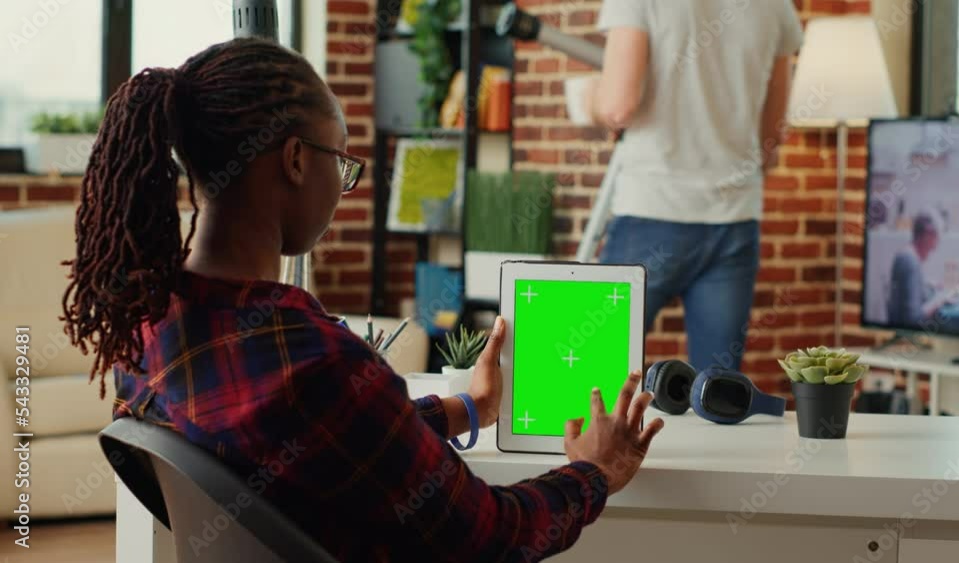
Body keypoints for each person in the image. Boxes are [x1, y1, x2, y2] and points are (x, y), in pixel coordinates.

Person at [60, 38, 664, 562]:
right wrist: (595, 470)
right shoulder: (314, 362)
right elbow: (491, 538)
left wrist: (467, 409)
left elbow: (314, 443)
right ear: (296, 160)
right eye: (341, 160)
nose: (343, 187)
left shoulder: (147, 318)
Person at [585, 0, 803, 373]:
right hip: (734, 220)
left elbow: (618, 106)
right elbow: (771, 140)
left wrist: (590, 98)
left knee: (592, 373)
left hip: (651, 212)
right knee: (718, 391)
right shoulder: (777, 5)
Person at [887, 212, 952, 327]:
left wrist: (927, 284)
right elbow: (913, 318)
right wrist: (940, 299)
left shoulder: (905, 254)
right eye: (936, 238)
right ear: (927, 234)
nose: (935, 247)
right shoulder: (910, 261)